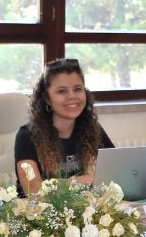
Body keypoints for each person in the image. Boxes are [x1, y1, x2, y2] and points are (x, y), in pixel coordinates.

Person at [14, 58, 113, 196]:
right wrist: (79, 181)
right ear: (47, 98)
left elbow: (117, 173)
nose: (72, 96)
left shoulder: (93, 130)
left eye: (78, 89)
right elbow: (33, 189)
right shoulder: (27, 136)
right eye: (62, 91)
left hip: (85, 210)